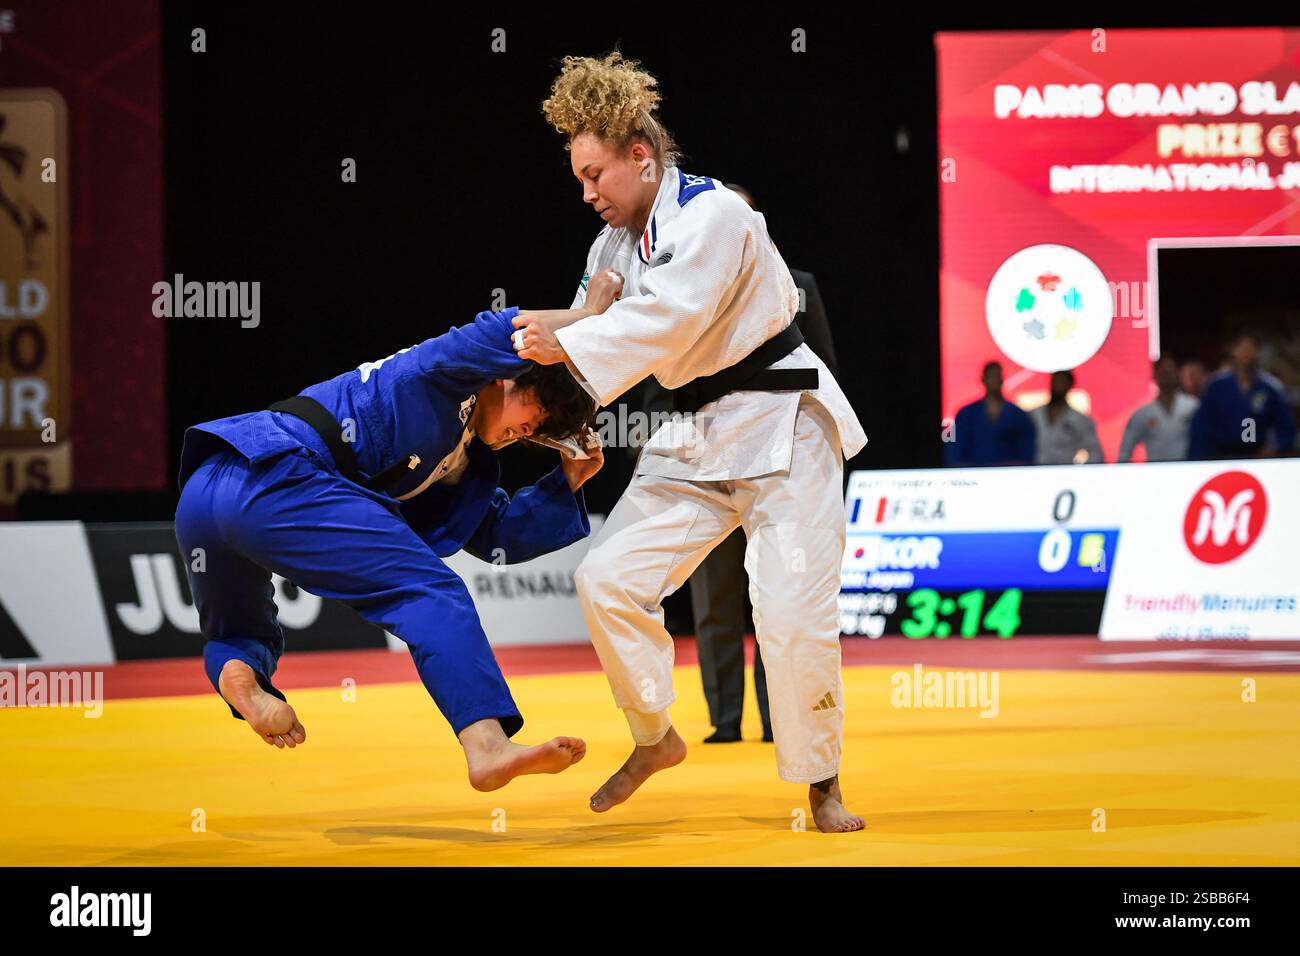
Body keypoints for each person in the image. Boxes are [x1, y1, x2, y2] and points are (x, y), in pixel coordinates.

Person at [514, 51, 868, 833]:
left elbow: (661, 323)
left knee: (789, 610)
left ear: (641, 157)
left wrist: (574, 323)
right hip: (691, 433)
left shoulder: (714, 215)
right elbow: (581, 355)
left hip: (783, 424)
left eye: (595, 174)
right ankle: (654, 734)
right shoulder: (608, 251)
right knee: (606, 577)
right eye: (579, 178)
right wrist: (569, 426)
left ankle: (822, 786)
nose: (587, 194)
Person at [173, 302, 612, 792]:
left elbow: (497, 535)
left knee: (238, 627)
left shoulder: (463, 460)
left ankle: (241, 677)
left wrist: (566, 482)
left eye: (539, 434)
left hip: (208, 489)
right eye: (538, 413)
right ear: (510, 375)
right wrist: (590, 313)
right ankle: (487, 745)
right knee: (431, 592)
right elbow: (504, 329)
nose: (528, 433)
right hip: (280, 474)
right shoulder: (445, 372)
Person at [638, 181, 841, 746]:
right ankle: (724, 719)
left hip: (780, 458)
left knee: (780, 598)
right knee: (715, 600)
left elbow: (819, 367)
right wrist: (662, 448)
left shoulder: (797, 287)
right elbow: (660, 378)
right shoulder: (681, 288)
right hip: (705, 463)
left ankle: (781, 718)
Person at [1188, 330, 1296, 459]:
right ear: (1232, 350)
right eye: (1241, 347)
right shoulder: (1216, 386)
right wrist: (1198, 457)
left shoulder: (1270, 387)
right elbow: (1202, 425)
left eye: (1250, 347)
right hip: (1220, 454)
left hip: (1258, 454)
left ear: (1257, 351)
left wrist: (1277, 446)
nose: (1245, 352)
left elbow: (1286, 426)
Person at [946, 360, 1036, 466]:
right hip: (974, 474)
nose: (994, 380)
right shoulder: (965, 414)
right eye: (991, 376)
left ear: (1002, 380)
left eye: (997, 376)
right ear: (983, 379)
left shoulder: (1018, 415)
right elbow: (954, 447)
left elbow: (1027, 449)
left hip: (1009, 474)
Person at [1117, 356, 1199, 462]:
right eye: (1164, 372)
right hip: (1157, 472)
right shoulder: (1143, 413)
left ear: (1177, 374)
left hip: (1189, 470)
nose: (1168, 376)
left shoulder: (1192, 407)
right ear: (1155, 375)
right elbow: (1124, 451)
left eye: (1171, 372)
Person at [1029, 369, 1104, 464]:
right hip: (1034, 470)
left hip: (1064, 471)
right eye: (1055, 381)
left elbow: (1095, 452)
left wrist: (1083, 473)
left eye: (1062, 382)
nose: (1057, 386)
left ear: (1070, 385)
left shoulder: (1079, 419)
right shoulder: (1033, 414)